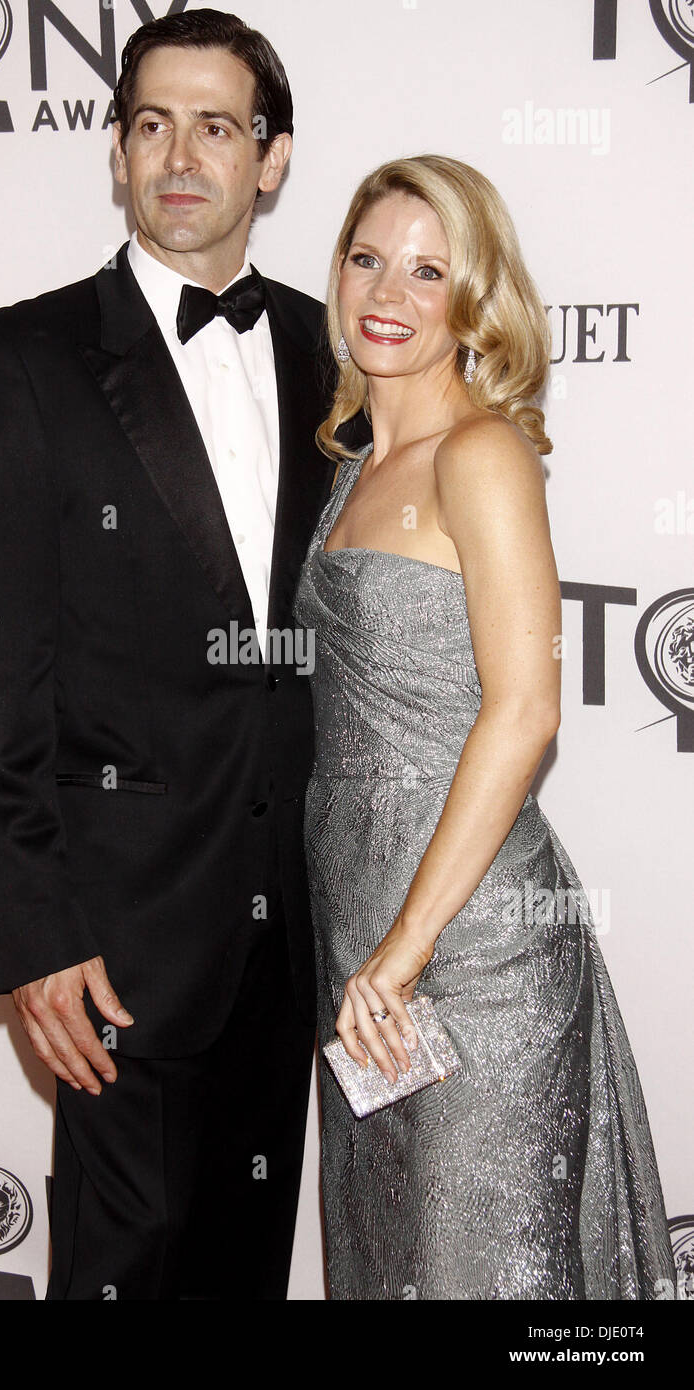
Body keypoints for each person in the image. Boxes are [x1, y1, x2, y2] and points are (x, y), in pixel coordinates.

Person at [0, 9, 349, 1300]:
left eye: (216, 126)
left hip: (293, 945)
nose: (180, 155)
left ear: (268, 160)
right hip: (114, 950)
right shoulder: (21, 359)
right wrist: (33, 935)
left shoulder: (333, 354)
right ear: (114, 151)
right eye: (151, 123)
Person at [294, 155, 677, 1300]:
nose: (388, 293)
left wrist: (404, 951)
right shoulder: (354, 467)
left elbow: (523, 712)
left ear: (475, 301)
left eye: (429, 270)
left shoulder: (481, 453)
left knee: (480, 1272)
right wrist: (373, 950)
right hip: (361, 934)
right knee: (391, 1261)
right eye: (369, 259)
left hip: (467, 949)